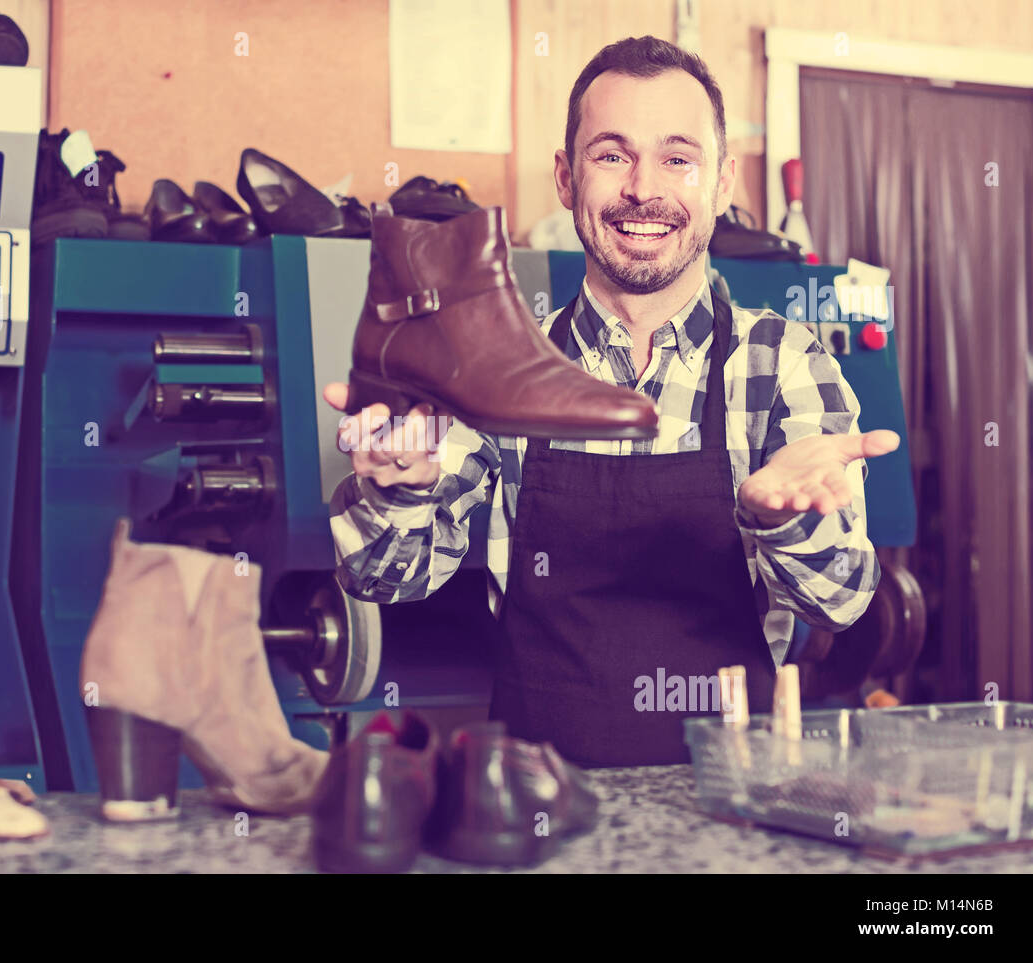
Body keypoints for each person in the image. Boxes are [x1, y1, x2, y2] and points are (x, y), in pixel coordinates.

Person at [323, 35, 899, 766]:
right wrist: (399, 487)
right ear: (566, 179)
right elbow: (383, 578)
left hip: (727, 806)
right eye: (611, 154)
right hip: (538, 803)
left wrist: (780, 524)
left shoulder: (782, 363)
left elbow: (843, 601)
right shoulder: (498, 370)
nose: (643, 189)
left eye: (677, 158)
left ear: (722, 184)